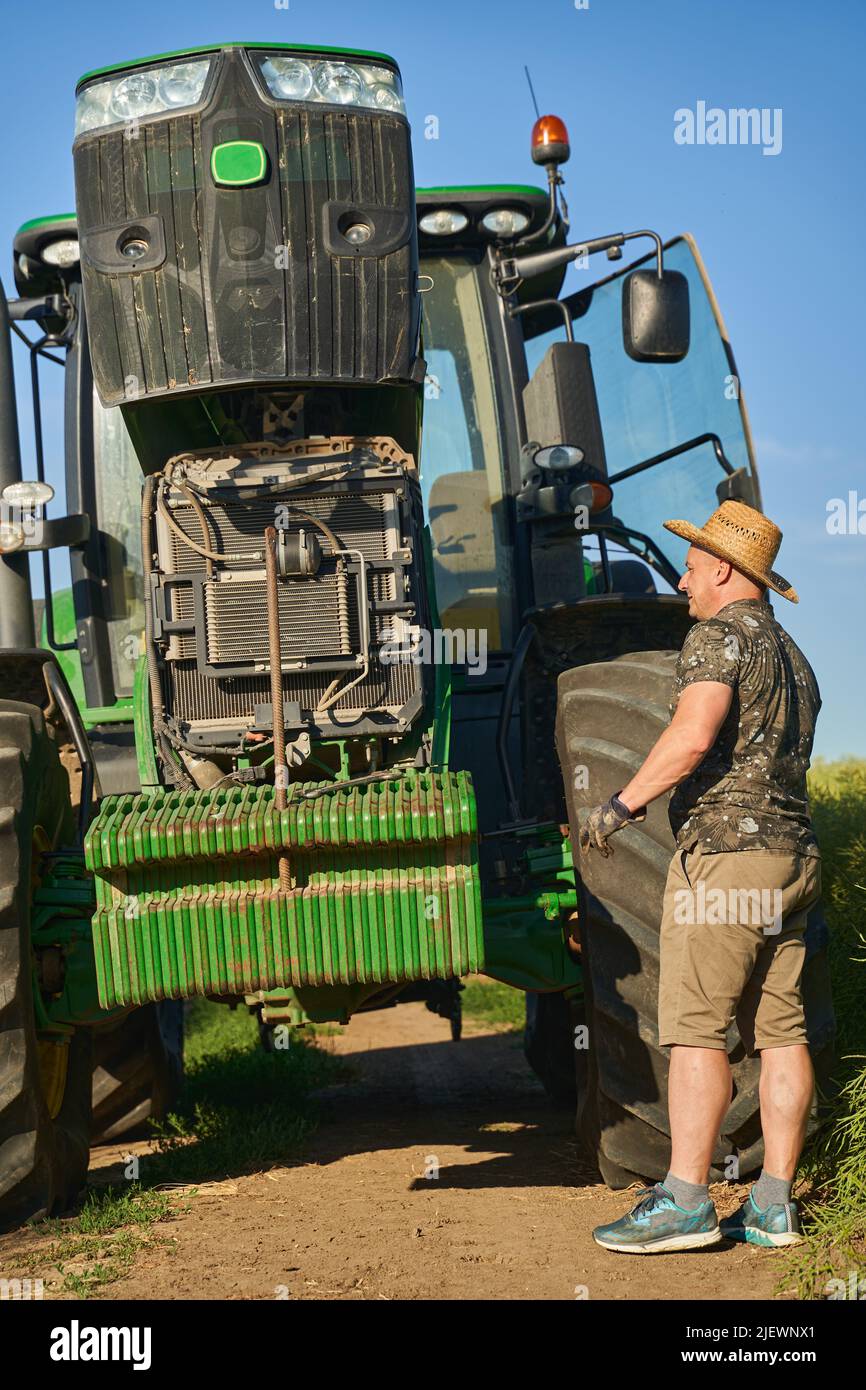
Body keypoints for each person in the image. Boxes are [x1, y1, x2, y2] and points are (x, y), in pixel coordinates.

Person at [579, 500, 821, 1254]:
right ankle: (773, 1204)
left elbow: (690, 738)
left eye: (690, 567)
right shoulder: (793, 656)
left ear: (722, 568)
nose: (683, 581)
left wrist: (620, 804)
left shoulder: (717, 636)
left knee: (694, 1035)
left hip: (725, 859)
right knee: (781, 1032)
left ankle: (685, 1199)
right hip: (793, 860)